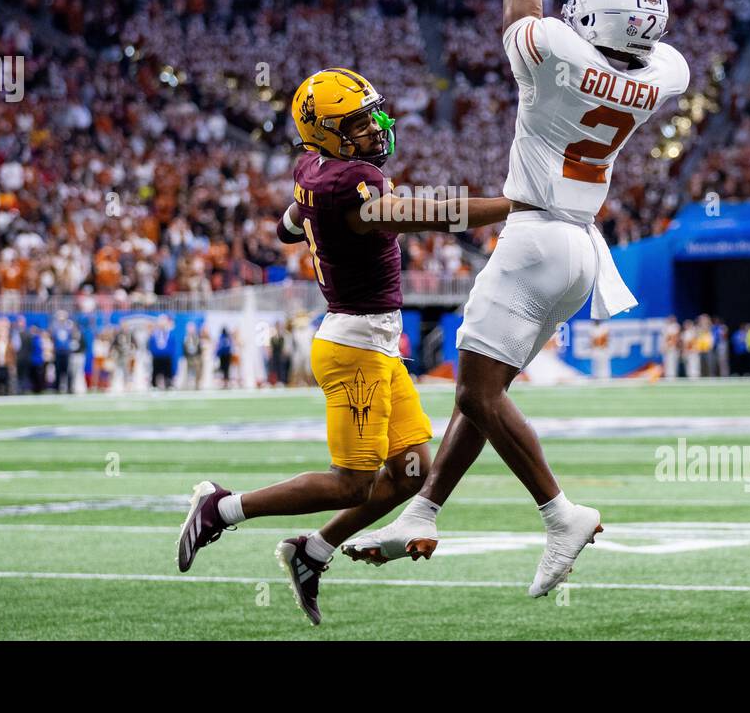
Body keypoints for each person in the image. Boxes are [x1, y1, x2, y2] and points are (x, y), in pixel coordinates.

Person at [347, 0, 690, 597]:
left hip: (533, 233)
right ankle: (424, 510)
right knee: (487, 388)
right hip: (582, 249)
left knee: (474, 392)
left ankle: (560, 512)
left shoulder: (551, 50)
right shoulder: (661, 71)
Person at [175, 65, 511, 625]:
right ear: (326, 132)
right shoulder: (345, 182)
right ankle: (223, 507)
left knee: (409, 472)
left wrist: (296, 226)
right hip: (354, 345)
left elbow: (287, 224)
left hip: (373, 342)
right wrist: (512, 205)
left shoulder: (314, 167)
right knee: (352, 483)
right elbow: (423, 215)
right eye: (357, 124)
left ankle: (313, 551)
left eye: (371, 117)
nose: (374, 130)